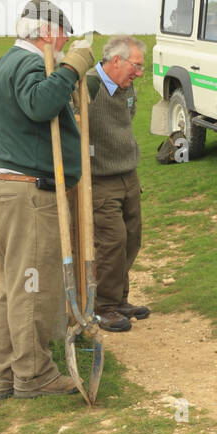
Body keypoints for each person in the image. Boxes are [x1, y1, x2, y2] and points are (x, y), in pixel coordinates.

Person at [0, 0, 94, 399]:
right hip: (27, 195)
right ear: (47, 32)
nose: (65, 42)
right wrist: (72, 66)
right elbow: (40, 104)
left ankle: (1, 373)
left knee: (14, 289)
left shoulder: (5, 62)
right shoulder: (32, 62)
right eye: (63, 35)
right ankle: (33, 375)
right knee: (33, 289)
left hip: (4, 192)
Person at [85, 34, 149, 332]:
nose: (139, 73)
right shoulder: (87, 86)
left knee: (132, 237)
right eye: (135, 66)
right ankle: (103, 306)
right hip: (99, 178)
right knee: (111, 241)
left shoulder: (127, 87)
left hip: (127, 174)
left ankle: (119, 299)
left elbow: (128, 117)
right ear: (115, 61)